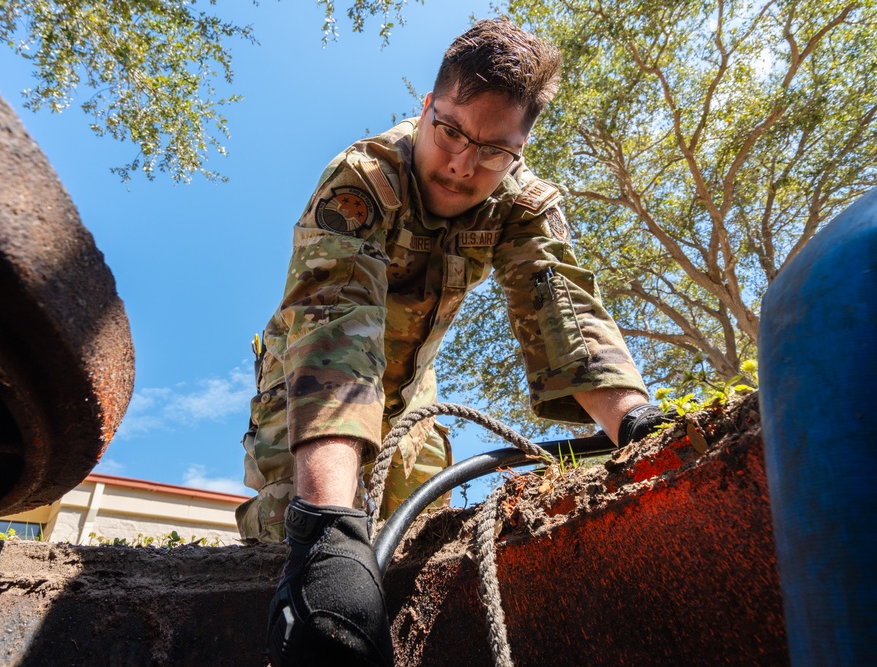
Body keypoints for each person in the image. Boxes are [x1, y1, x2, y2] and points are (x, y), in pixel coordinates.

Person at [239, 17, 666, 665]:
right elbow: (334, 327)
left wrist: (637, 426)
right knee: (306, 557)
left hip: (413, 396)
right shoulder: (362, 180)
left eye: (494, 149)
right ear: (426, 107)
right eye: (450, 130)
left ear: (520, 147)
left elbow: (568, 316)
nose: (464, 164)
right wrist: (326, 528)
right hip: (309, 379)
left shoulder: (523, 203)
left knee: (421, 547)